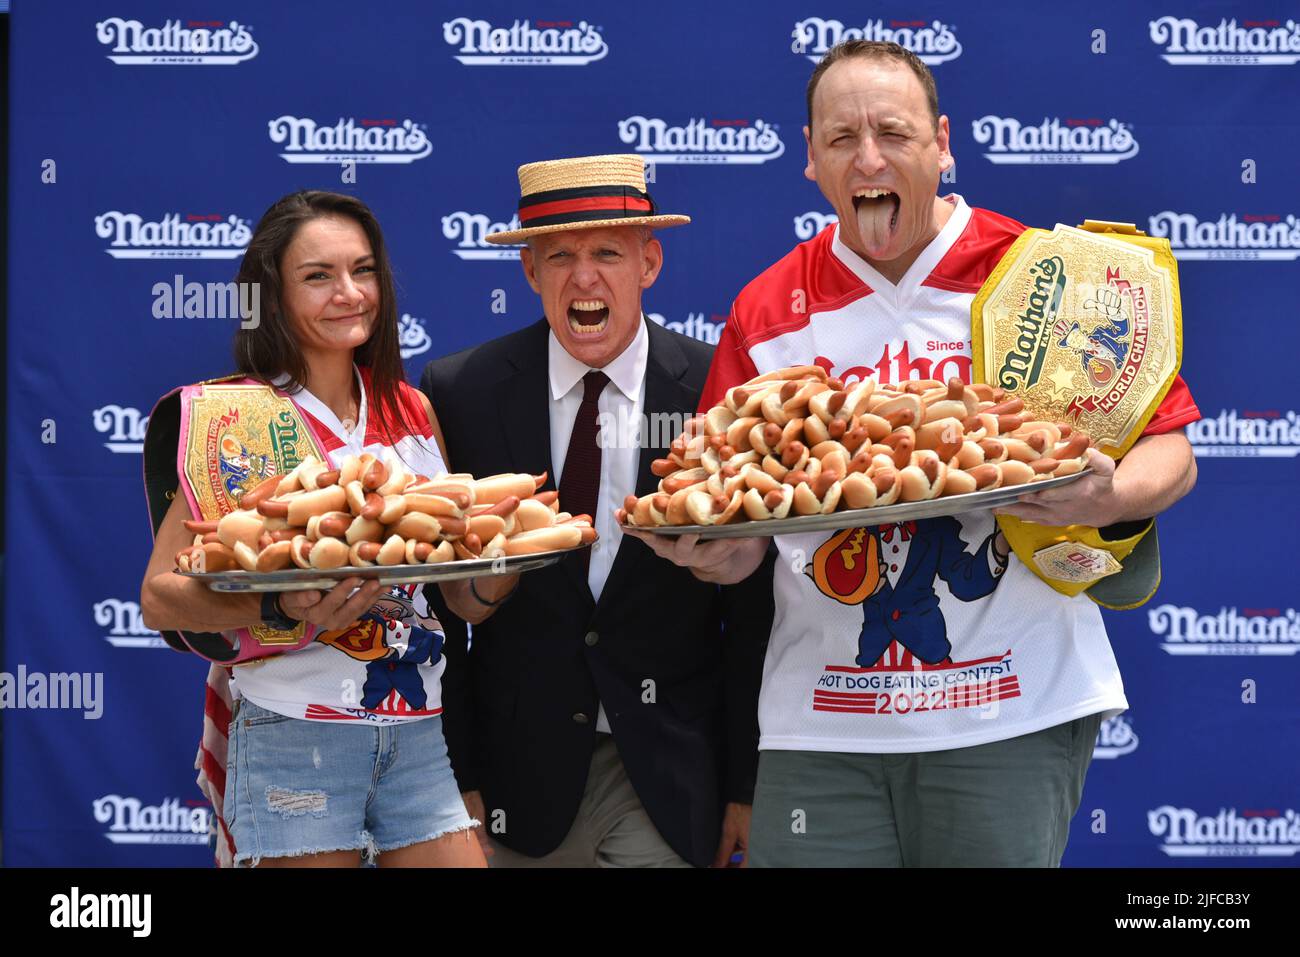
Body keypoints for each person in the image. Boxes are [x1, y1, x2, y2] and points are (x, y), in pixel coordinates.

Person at [624, 42, 1201, 867]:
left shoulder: (1039, 273)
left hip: (1011, 707)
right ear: (810, 160)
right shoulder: (766, 309)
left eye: (893, 133)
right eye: (841, 138)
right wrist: (711, 553)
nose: (868, 157)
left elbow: (1171, 448)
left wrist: (1107, 497)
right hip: (821, 721)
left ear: (942, 143)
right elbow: (741, 525)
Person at [421, 154, 774, 867]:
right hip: (517, 779)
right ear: (529, 272)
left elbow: (755, 609)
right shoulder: (461, 391)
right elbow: (439, 617)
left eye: (607, 252)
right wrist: (456, 777)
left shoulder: (718, 387)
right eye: (559, 256)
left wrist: (747, 784)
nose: (584, 277)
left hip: (668, 776)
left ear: (650, 262)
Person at [140, 190, 486, 868]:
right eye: (318, 276)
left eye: (363, 271)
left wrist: (499, 565)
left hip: (417, 730)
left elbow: (459, 594)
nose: (349, 293)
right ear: (271, 294)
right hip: (296, 732)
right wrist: (278, 603)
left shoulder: (412, 409)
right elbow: (160, 595)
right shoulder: (231, 418)